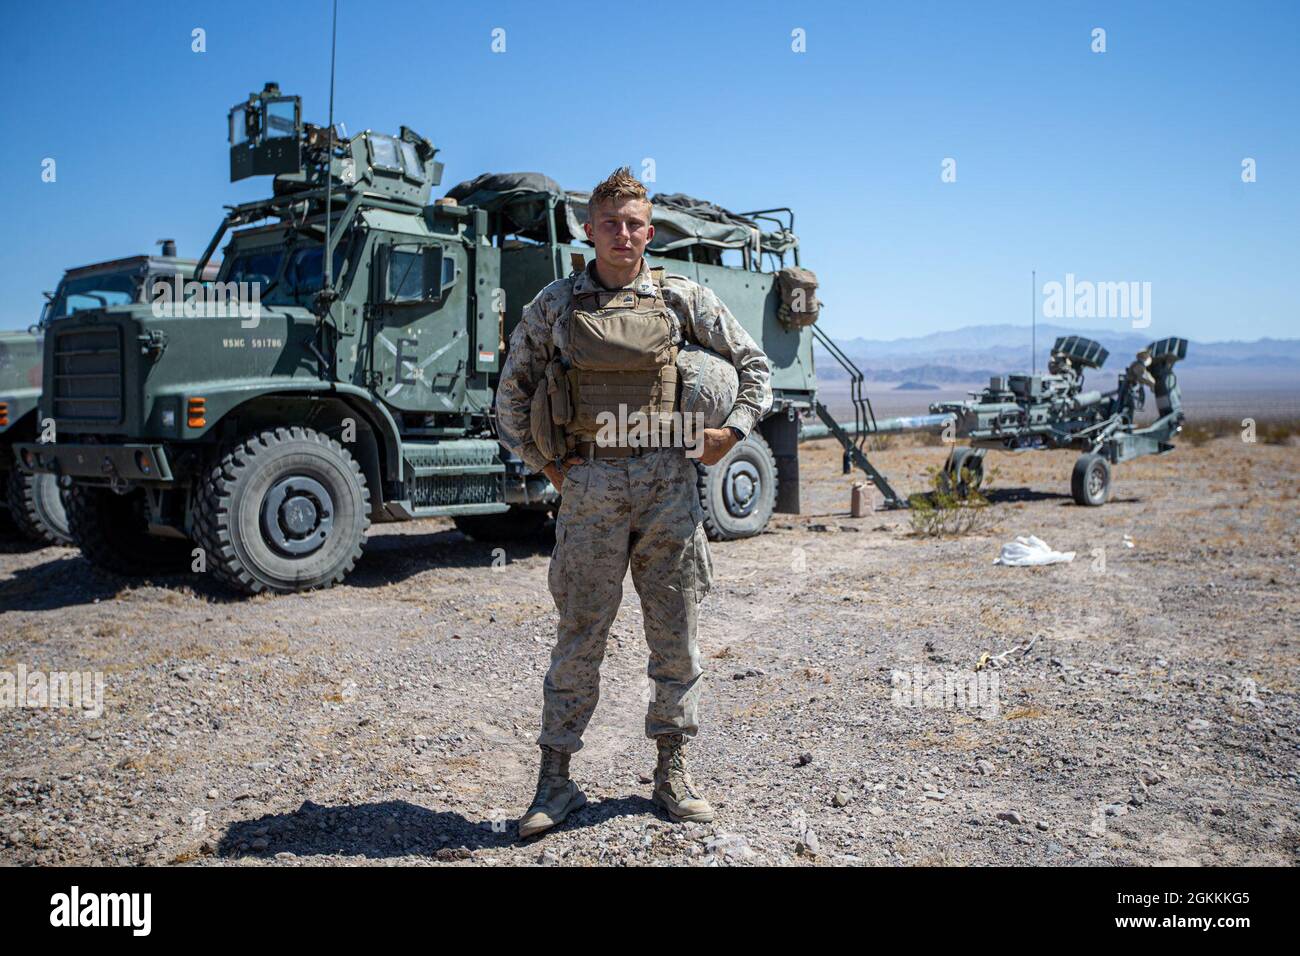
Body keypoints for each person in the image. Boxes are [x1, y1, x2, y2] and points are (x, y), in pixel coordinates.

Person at [494, 167, 772, 837]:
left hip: (668, 487)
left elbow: (756, 369)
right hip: (590, 488)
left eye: (634, 224)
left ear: (650, 231)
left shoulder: (682, 298)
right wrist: (551, 468)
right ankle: (554, 783)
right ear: (589, 230)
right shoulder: (556, 305)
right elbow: (510, 398)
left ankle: (672, 775)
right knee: (579, 641)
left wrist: (729, 433)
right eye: (610, 223)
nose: (623, 234)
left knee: (675, 640)